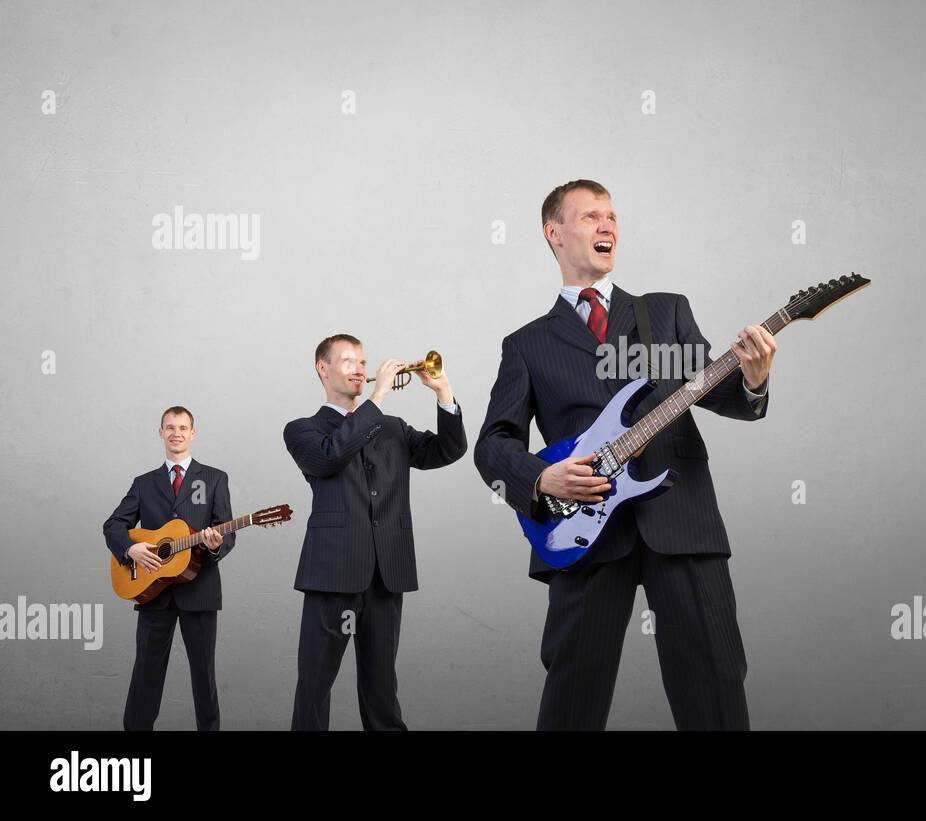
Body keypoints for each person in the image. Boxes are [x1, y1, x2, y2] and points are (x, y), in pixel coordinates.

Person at [475, 179, 777, 730]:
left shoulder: (665, 313)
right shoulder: (527, 343)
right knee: (573, 701)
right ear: (554, 234)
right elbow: (492, 446)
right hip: (582, 534)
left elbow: (720, 393)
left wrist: (753, 380)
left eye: (611, 216)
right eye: (590, 217)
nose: (607, 225)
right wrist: (544, 479)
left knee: (716, 683)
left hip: (681, 519)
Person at [284, 334, 466, 730]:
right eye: (348, 361)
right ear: (322, 369)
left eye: (363, 362)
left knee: (382, 690)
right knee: (314, 688)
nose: (360, 369)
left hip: (387, 573)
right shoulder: (302, 430)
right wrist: (377, 398)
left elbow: (447, 452)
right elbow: (330, 457)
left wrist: (444, 393)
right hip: (332, 572)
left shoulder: (393, 428)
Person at [103, 406, 235, 731]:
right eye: (170, 427)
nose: (176, 433)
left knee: (204, 678)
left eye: (183, 427)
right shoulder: (144, 483)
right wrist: (130, 548)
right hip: (152, 593)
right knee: (145, 674)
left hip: (199, 591)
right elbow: (113, 525)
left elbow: (225, 533)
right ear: (160, 433)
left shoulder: (215, 479)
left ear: (192, 433)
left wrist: (215, 544)